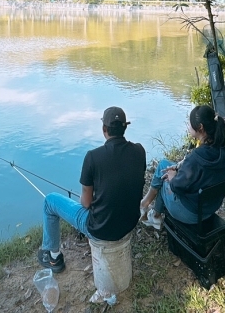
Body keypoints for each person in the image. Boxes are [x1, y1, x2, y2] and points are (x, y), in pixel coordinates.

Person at [37, 106, 146, 273]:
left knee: (50, 201)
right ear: (125, 127)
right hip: (130, 222)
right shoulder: (139, 151)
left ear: (104, 129)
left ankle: (53, 257)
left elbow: (86, 204)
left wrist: (96, 197)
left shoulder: (93, 157)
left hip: (100, 229)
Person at [139, 104, 225, 229]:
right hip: (211, 206)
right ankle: (154, 215)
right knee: (164, 165)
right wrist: (177, 169)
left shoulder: (197, 157)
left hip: (192, 213)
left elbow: (177, 187)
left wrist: (173, 177)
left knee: (164, 176)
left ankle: (149, 209)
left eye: (190, 123)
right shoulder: (221, 149)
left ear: (200, 127)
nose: (188, 126)